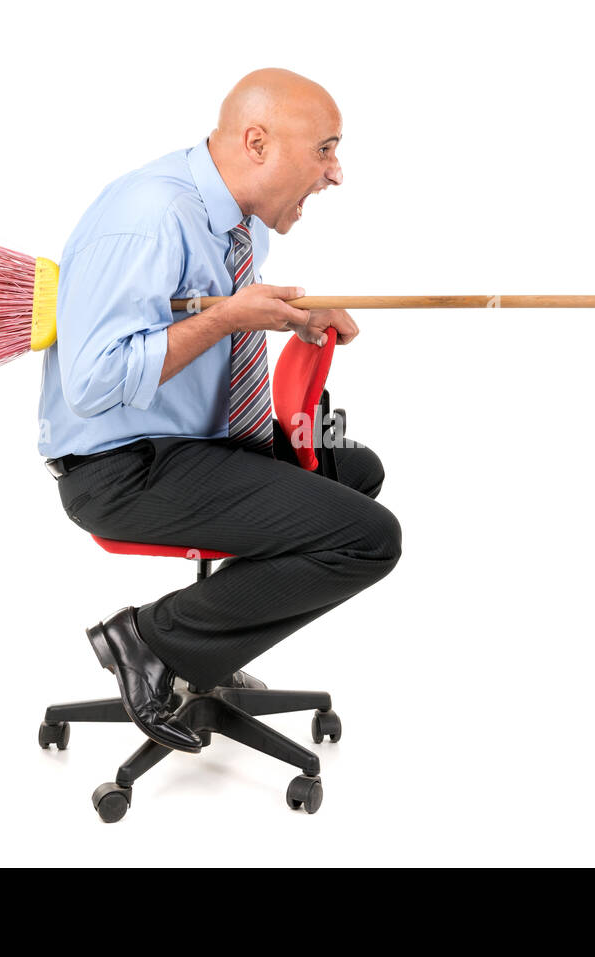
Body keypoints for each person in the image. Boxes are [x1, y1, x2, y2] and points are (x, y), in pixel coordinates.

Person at [38, 68, 402, 754]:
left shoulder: (240, 223)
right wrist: (229, 319)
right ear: (257, 142)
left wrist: (287, 311)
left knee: (355, 477)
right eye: (325, 149)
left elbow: (206, 310)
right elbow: (91, 382)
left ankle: (195, 647)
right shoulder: (148, 220)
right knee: (368, 537)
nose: (336, 173)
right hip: (121, 468)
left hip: (192, 443)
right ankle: (150, 640)